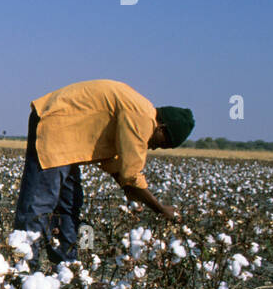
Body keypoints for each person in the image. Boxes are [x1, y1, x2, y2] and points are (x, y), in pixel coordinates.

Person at [14, 79, 193, 265]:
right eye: (162, 143)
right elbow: (131, 174)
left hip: (67, 136)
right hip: (55, 124)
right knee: (39, 204)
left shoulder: (140, 111)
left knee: (69, 203)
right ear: (161, 128)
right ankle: (22, 269)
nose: (155, 147)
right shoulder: (142, 118)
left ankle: (66, 267)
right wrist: (161, 209)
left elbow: (117, 166)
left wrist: (129, 190)